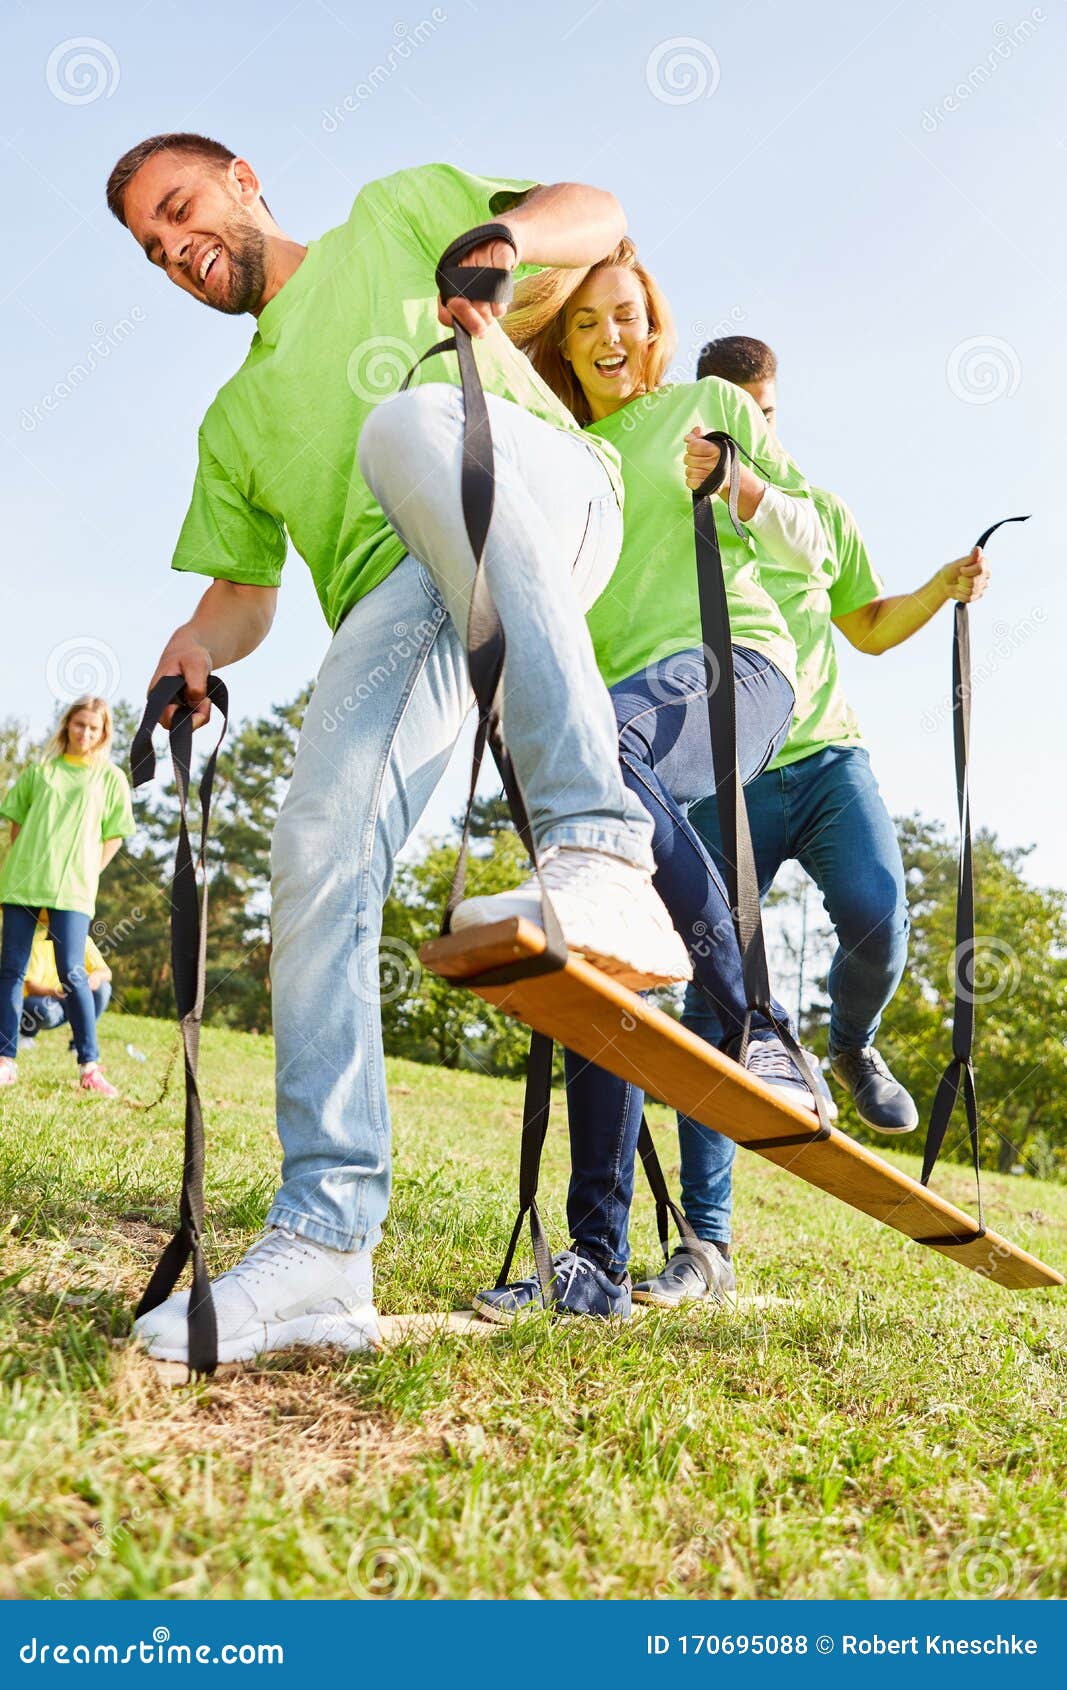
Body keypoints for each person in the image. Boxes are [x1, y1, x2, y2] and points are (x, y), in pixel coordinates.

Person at [106, 132, 689, 1367]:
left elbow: (597, 205)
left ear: (246, 177)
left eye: (178, 207)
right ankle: (324, 1240)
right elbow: (244, 595)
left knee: (402, 425)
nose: (174, 246)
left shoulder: (395, 206)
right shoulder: (235, 416)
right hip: (408, 609)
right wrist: (191, 645)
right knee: (313, 845)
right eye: (152, 248)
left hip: (533, 487)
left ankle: (600, 843)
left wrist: (505, 247)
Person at [468, 243, 833, 1323]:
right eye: (584, 326)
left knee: (603, 749)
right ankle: (591, 1261)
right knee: (608, 967)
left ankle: (755, 1018)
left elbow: (810, 543)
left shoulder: (708, 401)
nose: (610, 338)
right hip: (612, 704)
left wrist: (737, 479)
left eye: (624, 315)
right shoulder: (558, 450)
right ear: (561, 348)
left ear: (654, 320)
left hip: (735, 671)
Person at [634, 334, 992, 1308]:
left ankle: (846, 1041)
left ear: (770, 413)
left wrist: (938, 589)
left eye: (765, 411)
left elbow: (866, 625)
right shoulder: (670, 491)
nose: (753, 427)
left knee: (877, 914)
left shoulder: (814, 509)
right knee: (711, 997)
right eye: (734, 411)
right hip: (726, 773)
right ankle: (702, 1244)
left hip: (827, 758)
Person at [0, 696, 133, 1098]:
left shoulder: (110, 778)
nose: (85, 733)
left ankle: (89, 1066)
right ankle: (5, 1061)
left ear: (103, 733)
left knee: (73, 973)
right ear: (67, 726)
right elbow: (17, 828)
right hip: (23, 883)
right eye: (79, 724)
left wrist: (87, 871)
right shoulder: (39, 772)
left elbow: (114, 836)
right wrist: (25, 869)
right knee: (11, 970)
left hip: (73, 890)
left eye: (94, 728)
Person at [20, 916, 113, 1050]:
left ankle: (79, 1043)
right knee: (45, 1010)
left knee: (103, 988)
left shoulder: (84, 942)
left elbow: (106, 972)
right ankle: (25, 1034)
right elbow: (31, 986)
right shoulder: (38, 944)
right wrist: (59, 993)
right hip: (45, 1001)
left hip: (72, 999)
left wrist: (95, 978)